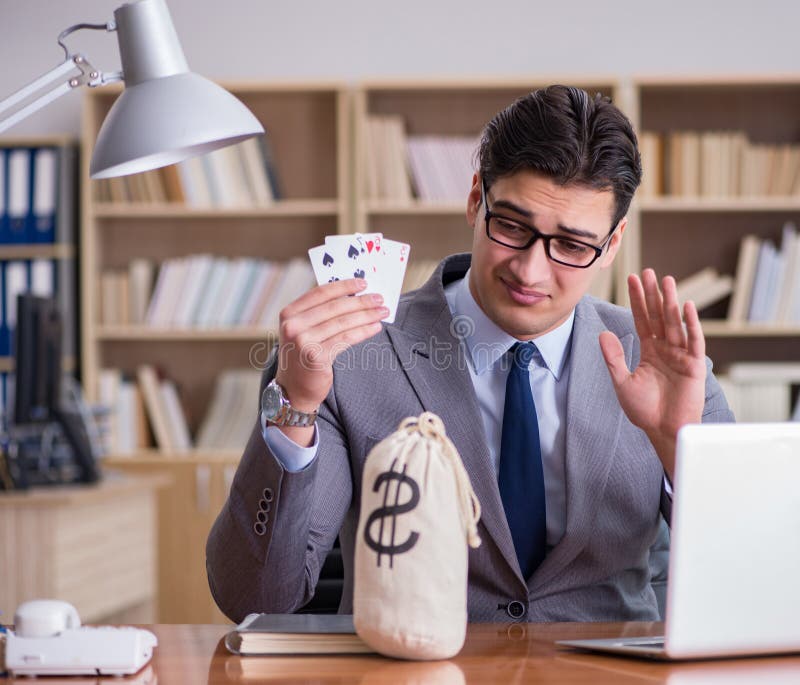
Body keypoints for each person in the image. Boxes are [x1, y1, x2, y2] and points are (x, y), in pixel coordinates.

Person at [206, 85, 733, 623]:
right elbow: (256, 599)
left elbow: (749, 577)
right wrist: (294, 406)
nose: (530, 272)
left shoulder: (667, 365)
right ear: (475, 198)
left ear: (613, 243)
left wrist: (679, 452)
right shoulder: (348, 357)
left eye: (572, 246)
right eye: (511, 226)